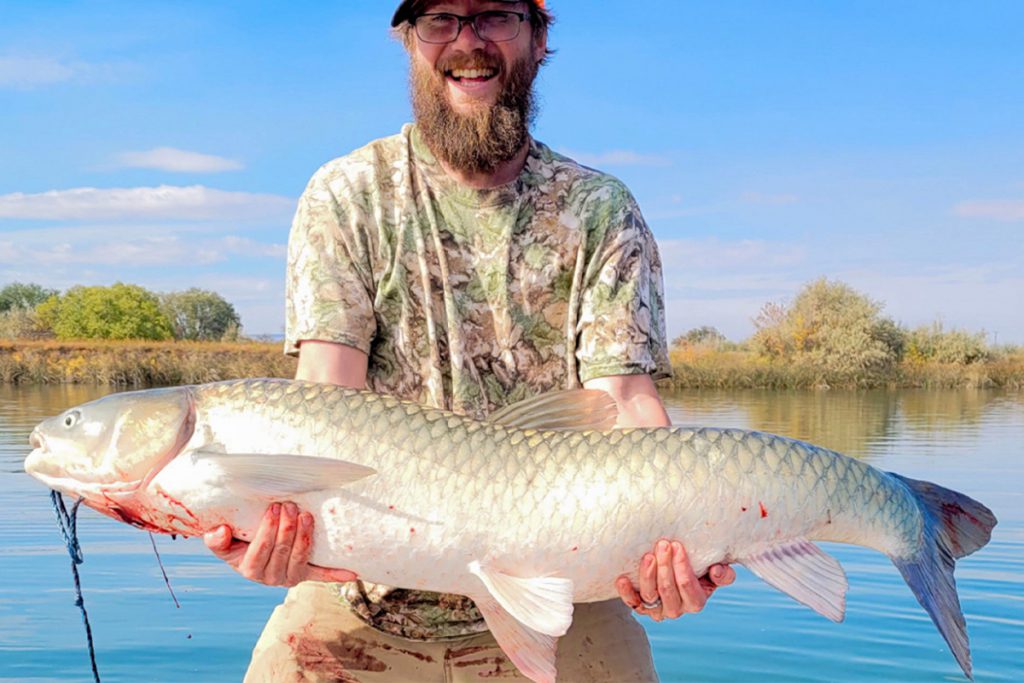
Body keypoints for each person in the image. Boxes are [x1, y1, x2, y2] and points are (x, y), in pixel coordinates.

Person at [205, 1, 736, 680]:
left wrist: (672, 554)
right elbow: (323, 402)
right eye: (441, 20)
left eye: (496, 16)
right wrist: (271, 524)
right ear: (408, 42)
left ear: (540, 38)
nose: (468, 42)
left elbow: (625, 405)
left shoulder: (599, 208)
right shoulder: (347, 195)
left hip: (570, 596)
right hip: (357, 597)